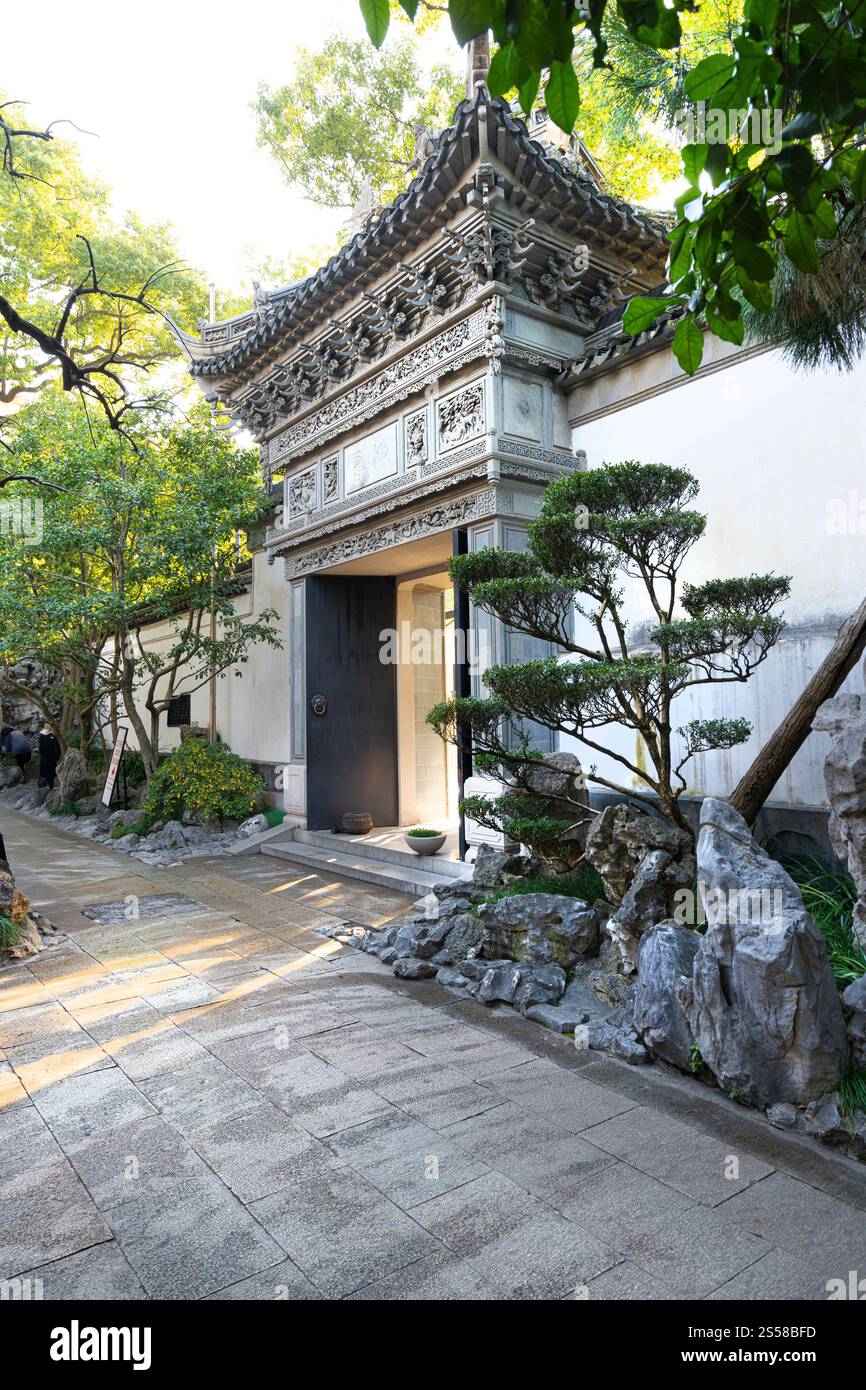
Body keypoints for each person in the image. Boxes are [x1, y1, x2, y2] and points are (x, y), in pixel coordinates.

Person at [38, 723, 61, 789]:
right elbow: (57, 750)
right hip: (51, 759)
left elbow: (40, 749)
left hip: (44, 759)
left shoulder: (41, 738)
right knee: (51, 774)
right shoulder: (53, 738)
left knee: (46, 773)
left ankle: (47, 786)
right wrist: (56, 758)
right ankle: (51, 786)